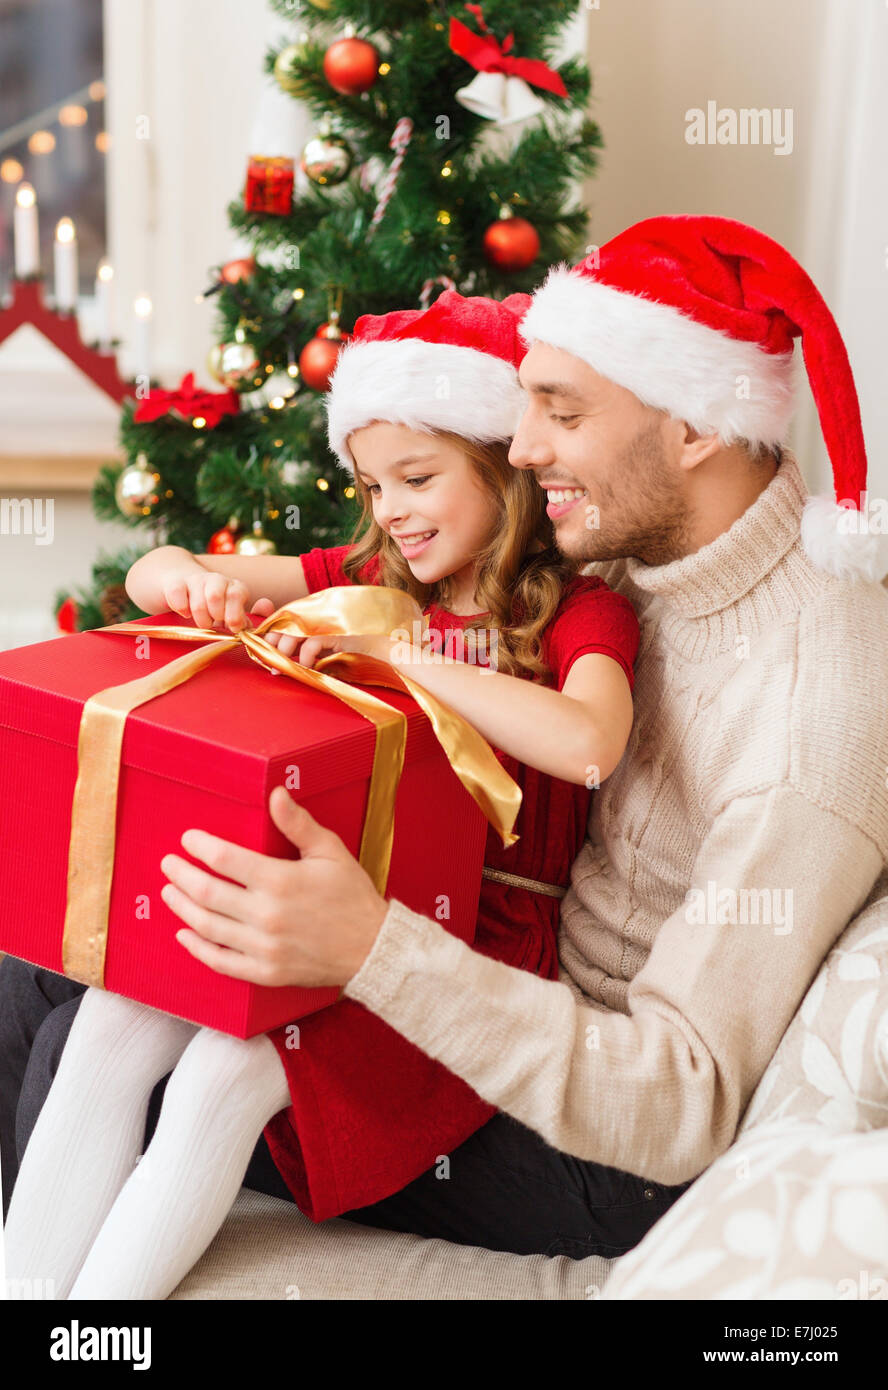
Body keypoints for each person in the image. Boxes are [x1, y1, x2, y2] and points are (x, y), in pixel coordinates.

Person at [6, 214, 887, 1289]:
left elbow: (676, 1102)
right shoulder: (643, 553)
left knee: (104, 1040)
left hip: (600, 1140)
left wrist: (369, 948)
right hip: (476, 961)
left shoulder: (804, 717)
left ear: (695, 426)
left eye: (559, 412)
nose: (519, 449)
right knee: (47, 960)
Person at [2, 291, 646, 1299]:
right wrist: (193, 583)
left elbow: (592, 744)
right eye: (370, 482)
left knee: (228, 1070)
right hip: (327, 911)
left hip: (462, 954)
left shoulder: (577, 610)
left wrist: (406, 652)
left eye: (418, 478)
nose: (389, 509)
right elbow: (156, 577)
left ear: (499, 462)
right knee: (119, 1017)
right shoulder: (360, 575)